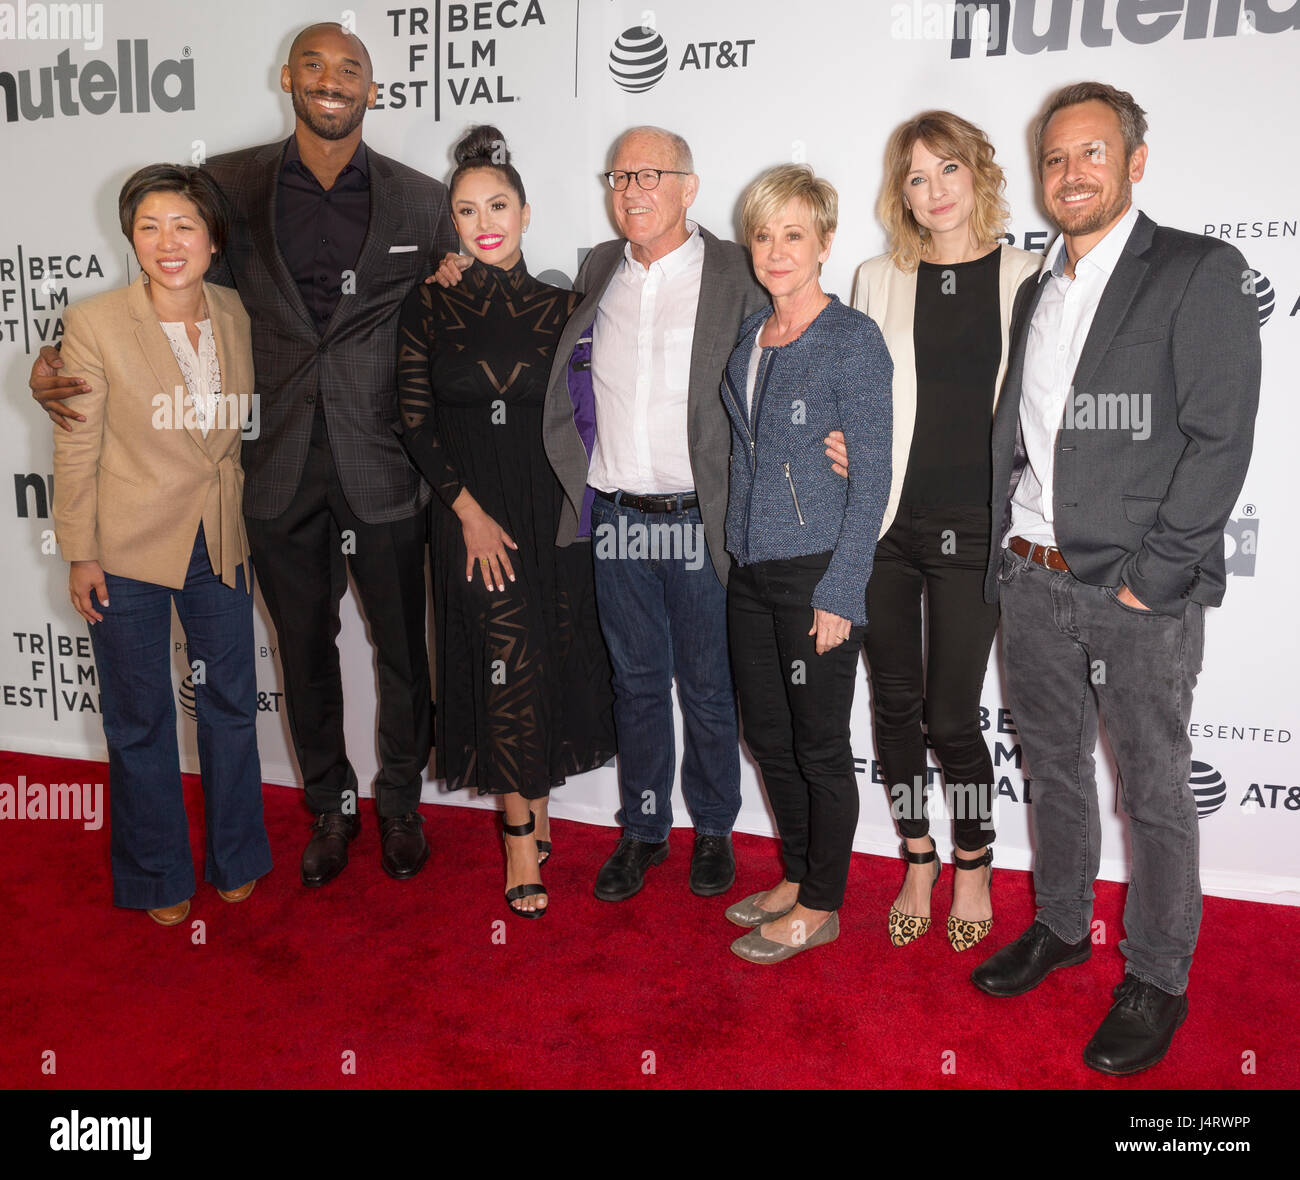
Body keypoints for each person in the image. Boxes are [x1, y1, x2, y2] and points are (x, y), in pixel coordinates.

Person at [33, 23, 461, 889]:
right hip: (270, 469)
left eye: (349, 70)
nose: (329, 81)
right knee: (302, 652)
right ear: (288, 78)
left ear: (372, 91)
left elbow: (456, 312)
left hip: (385, 464)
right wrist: (52, 359)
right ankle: (331, 811)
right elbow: (167, 291)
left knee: (405, 654)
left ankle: (402, 807)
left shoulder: (424, 199)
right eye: (314, 65)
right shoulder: (228, 183)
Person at [971, 83, 1259, 1075]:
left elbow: (1218, 442)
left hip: (1134, 595)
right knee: (1053, 773)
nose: (1070, 174)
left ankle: (1156, 976)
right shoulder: (1033, 284)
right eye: (1055, 159)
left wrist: (1153, 578)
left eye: (1092, 153)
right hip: (1031, 577)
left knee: (1153, 794)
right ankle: (1058, 927)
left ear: (1135, 160)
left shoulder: (1195, 270)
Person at [540, 126, 770, 902]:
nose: (632, 188)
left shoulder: (739, 270)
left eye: (651, 174)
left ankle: (712, 830)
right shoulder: (598, 267)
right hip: (619, 521)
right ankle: (643, 830)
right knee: (636, 685)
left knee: (708, 686)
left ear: (689, 187)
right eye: (620, 175)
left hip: (699, 518)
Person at [395, 126, 615, 917]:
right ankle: (520, 838)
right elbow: (414, 423)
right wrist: (467, 514)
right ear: (450, 223)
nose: (484, 221)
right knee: (505, 661)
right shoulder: (430, 301)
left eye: (498, 205)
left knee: (545, 660)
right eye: (466, 210)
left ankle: (539, 800)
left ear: (525, 211)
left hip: (549, 511)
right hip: (469, 514)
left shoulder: (563, 306)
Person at [53, 164, 272, 926]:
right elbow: (76, 446)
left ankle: (236, 856)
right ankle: (157, 873)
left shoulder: (241, 314)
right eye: (149, 227)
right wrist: (79, 550)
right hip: (128, 550)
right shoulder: (96, 325)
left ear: (213, 240)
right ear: (131, 240)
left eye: (183, 226)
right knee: (139, 718)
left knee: (230, 708)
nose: (167, 242)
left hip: (221, 540)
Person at [851, 112, 1042, 951]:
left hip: (976, 522)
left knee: (952, 715)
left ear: (979, 177)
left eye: (948, 170)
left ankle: (973, 859)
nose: (933, 191)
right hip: (887, 521)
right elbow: (856, 392)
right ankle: (917, 856)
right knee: (892, 705)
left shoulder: (1028, 276)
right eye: (917, 176)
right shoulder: (874, 276)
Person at [722, 164, 893, 963]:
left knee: (818, 740)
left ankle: (822, 902)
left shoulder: (852, 338)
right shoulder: (751, 336)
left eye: (795, 233)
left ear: (825, 242)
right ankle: (795, 872)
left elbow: (874, 476)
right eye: (764, 234)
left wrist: (843, 587)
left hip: (818, 568)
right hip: (751, 570)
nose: (777, 249)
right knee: (768, 732)